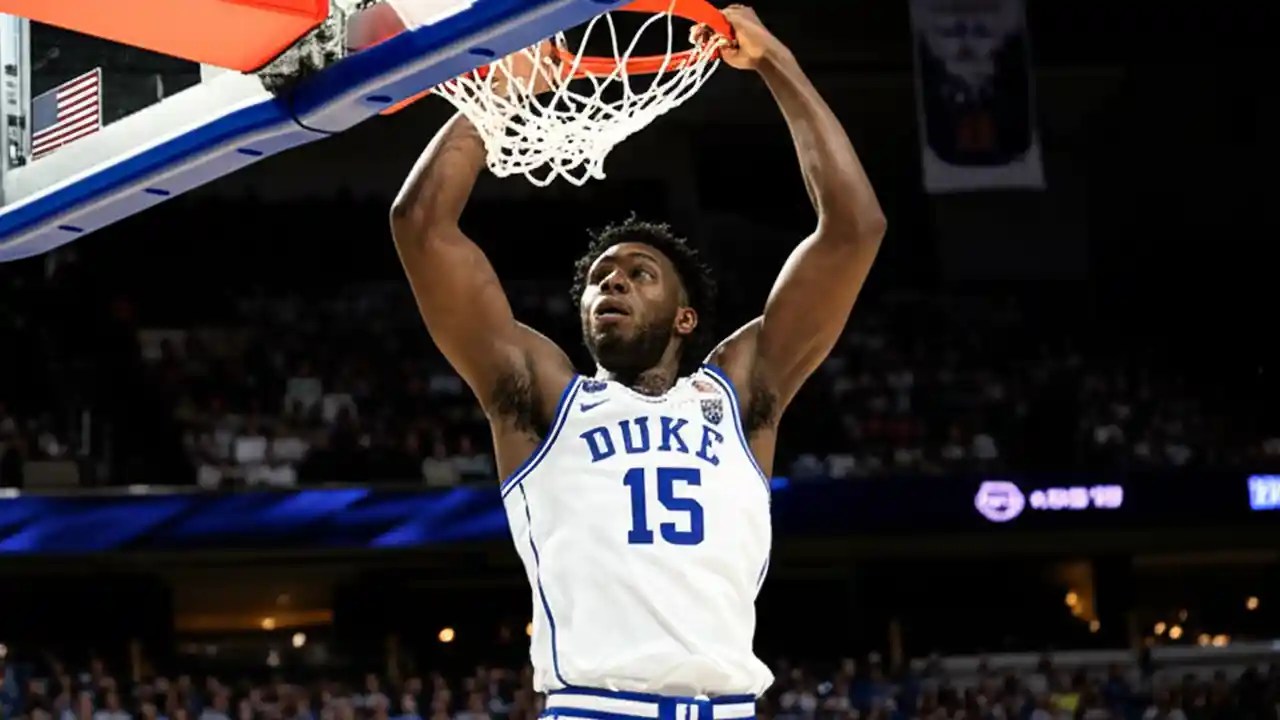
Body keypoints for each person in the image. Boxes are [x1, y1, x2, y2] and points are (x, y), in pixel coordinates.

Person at [389, 3, 885, 714]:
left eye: (637, 274)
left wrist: (776, 61)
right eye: (598, 279)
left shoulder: (739, 395)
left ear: (685, 318)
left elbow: (854, 229)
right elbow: (421, 228)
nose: (611, 281)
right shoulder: (543, 398)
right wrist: (502, 90)